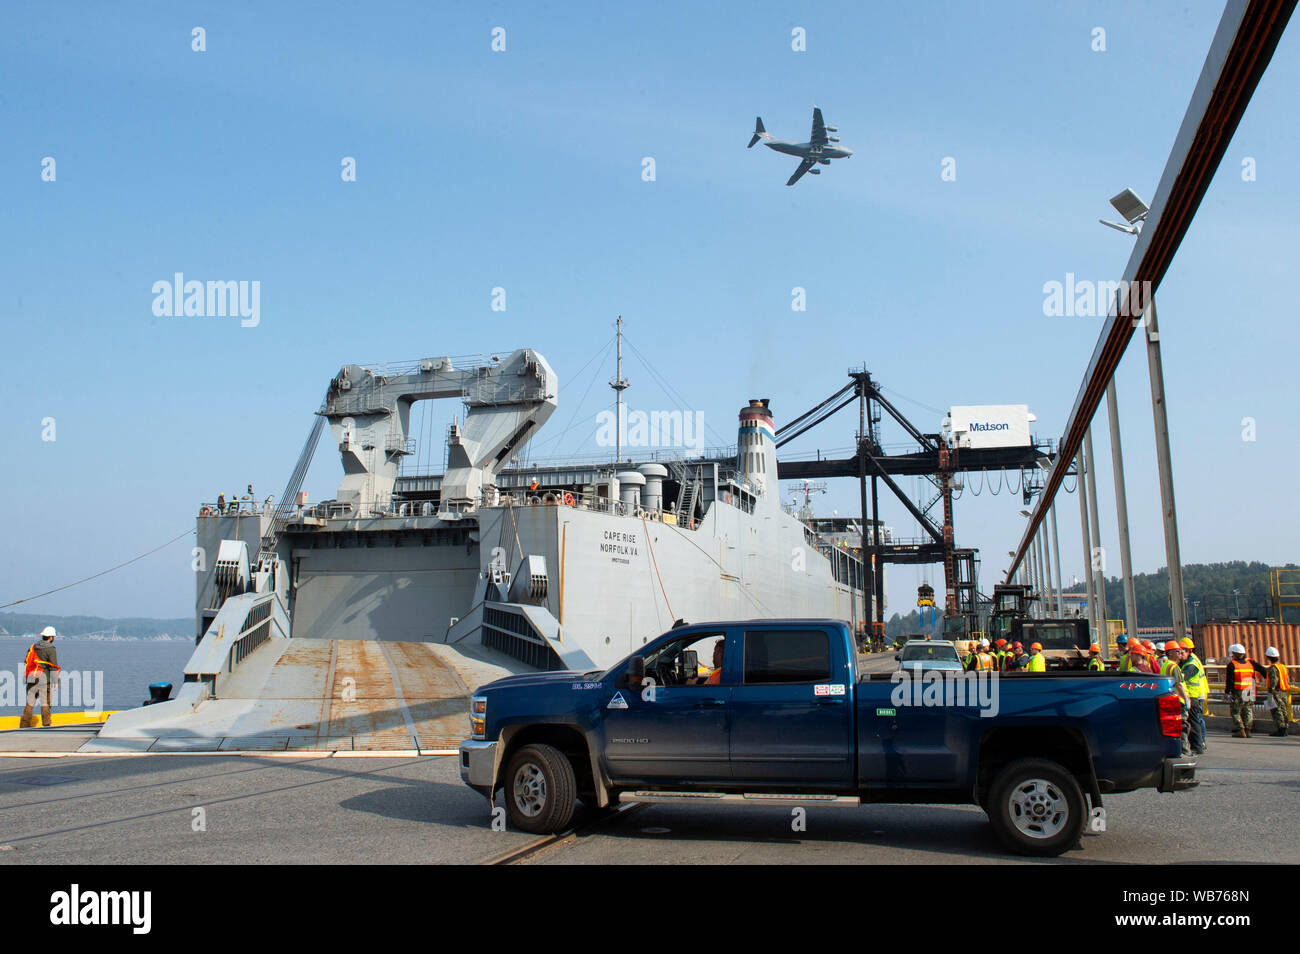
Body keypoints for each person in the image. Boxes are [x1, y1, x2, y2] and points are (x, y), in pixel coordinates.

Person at [20, 626, 61, 728]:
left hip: (31, 677)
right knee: (45, 703)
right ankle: (46, 725)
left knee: (30, 703)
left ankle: (24, 725)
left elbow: (27, 661)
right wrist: (56, 682)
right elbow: (53, 666)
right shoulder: (51, 649)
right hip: (43, 679)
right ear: (51, 637)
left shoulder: (33, 647)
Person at [1252, 647, 1292, 737]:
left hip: (1276, 692)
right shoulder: (1282, 667)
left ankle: (1281, 729)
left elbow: (1273, 681)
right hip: (1284, 691)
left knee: (1276, 710)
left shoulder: (1273, 668)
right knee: (1284, 710)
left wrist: (1270, 693)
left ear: (1268, 657)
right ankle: (1285, 728)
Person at [1160, 642, 1191, 755]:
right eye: (1177, 651)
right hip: (1178, 700)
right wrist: (1185, 699)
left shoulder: (1165, 664)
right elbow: (1179, 684)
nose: (1180, 653)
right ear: (1171, 653)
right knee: (1182, 726)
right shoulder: (1174, 667)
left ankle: (1175, 750)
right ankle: (1185, 751)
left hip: (1170, 699)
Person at [1179, 637, 1208, 755]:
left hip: (1194, 694)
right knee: (1197, 720)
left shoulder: (1191, 663)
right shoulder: (1189, 661)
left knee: (1195, 720)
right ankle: (1200, 743)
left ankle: (1198, 745)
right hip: (1193, 694)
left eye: (1182, 651)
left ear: (1189, 651)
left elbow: (1183, 677)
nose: (1180, 654)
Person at [1225, 643, 1256, 738]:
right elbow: (1253, 677)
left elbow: (1229, 680)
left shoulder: (1232, 665)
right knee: (1247, 709)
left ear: (1233, 653)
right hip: (1249, 689)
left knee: (1235, 711)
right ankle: (1248, 730)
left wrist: (1227, 692)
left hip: (1238, 690)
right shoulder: (1249, 664)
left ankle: (1240, 730)